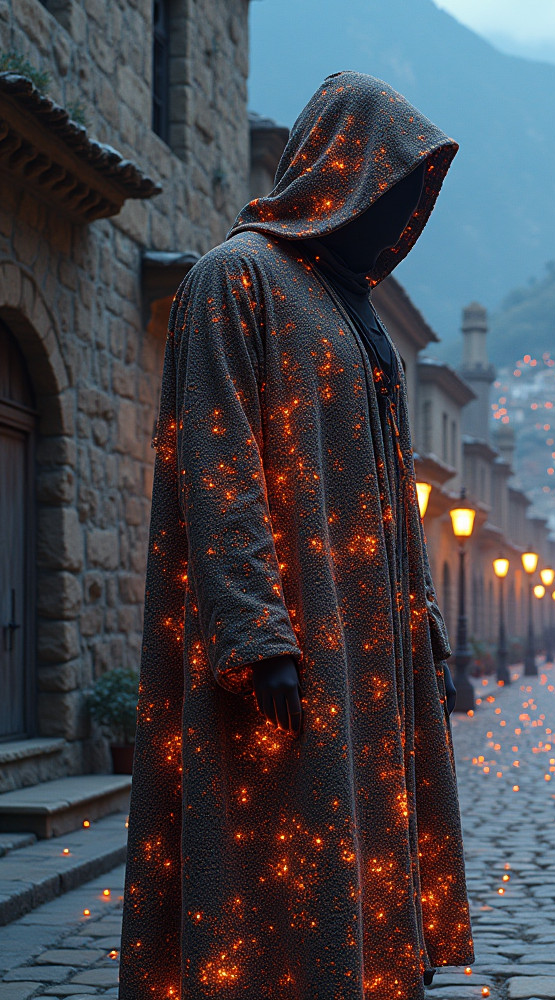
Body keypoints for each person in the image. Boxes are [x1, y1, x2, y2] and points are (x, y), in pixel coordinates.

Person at [119, 72, 474, 1000]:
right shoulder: (235, 280)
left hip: (369, 641)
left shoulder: (352, 304)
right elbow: (219, 465)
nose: (400, 208)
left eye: (411, 190)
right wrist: (256, 634)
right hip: (299, 637)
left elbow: (397, 493)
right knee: (277, 844)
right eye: (389, 183)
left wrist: (424, 626)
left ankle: (357, 974)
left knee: (350, 838)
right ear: (340, 171)